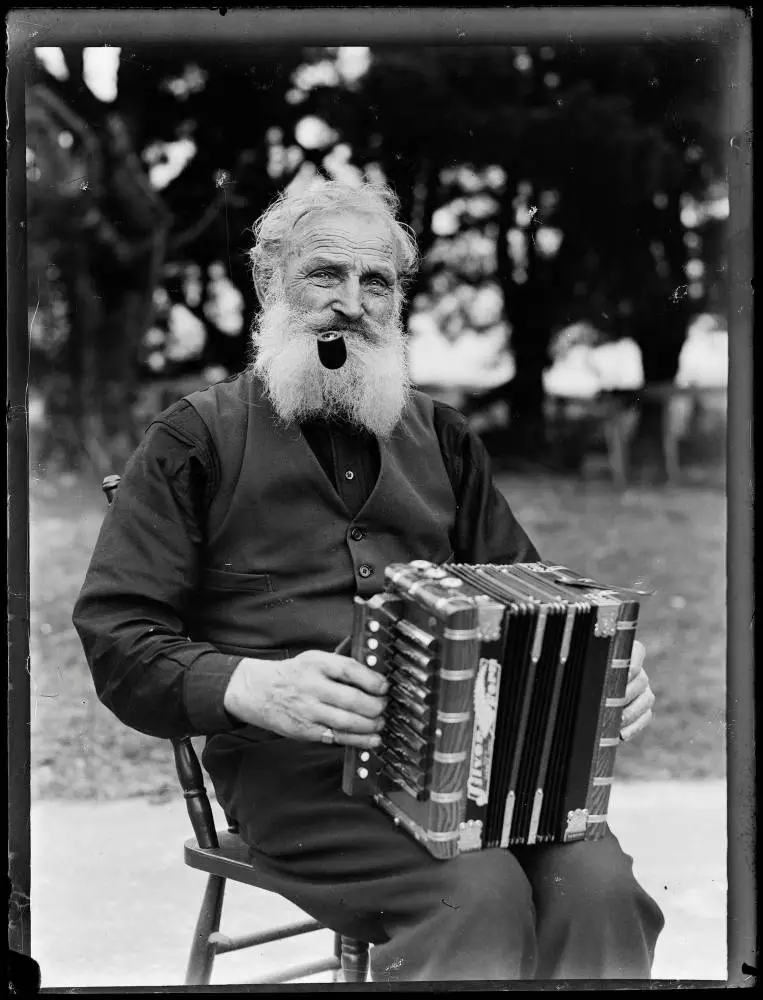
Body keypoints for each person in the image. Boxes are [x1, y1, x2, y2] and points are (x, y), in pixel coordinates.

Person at [73, 179, 662, 983]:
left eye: (375, 281)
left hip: (468, 769)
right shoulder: (193, 439)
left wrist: (602, 679)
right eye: (325, 274)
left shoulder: (445, 437)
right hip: (294, 776)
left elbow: (532, 606)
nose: (350, 302)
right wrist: (250, 685)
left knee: (600, 887)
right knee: (475, 892)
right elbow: (118, 638)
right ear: (268, 281)